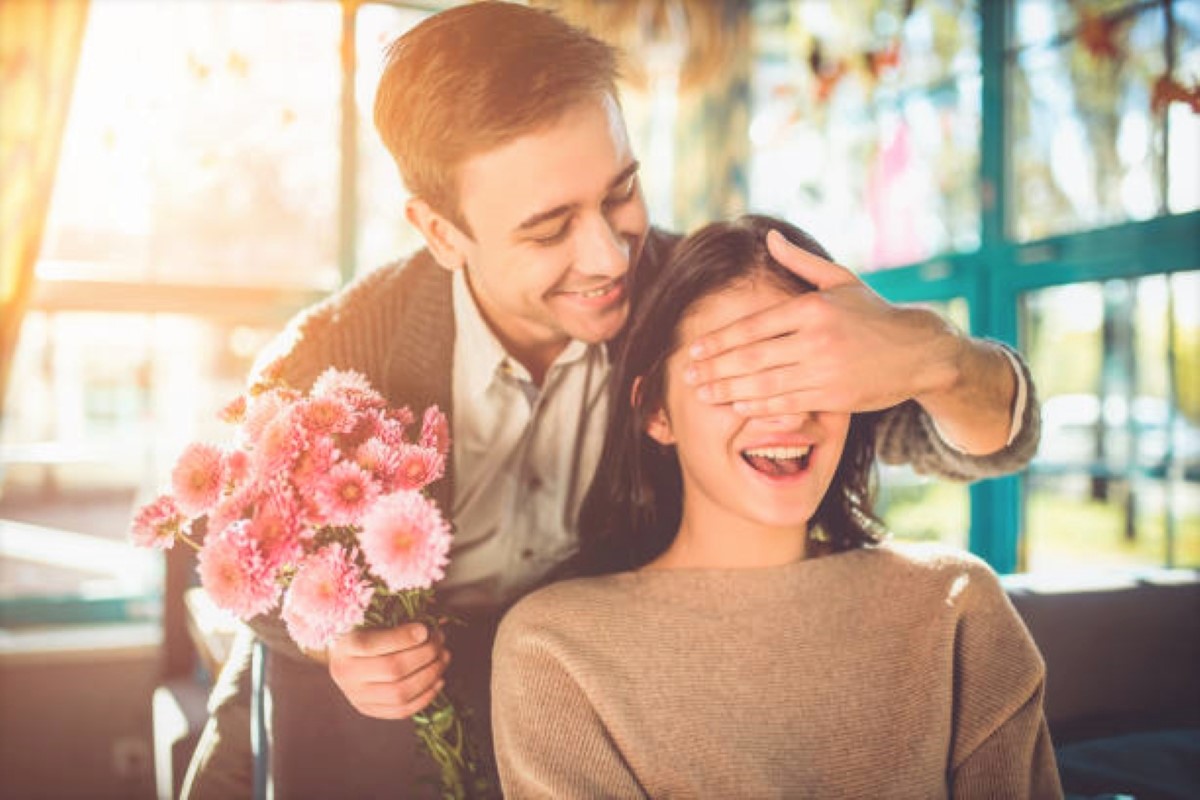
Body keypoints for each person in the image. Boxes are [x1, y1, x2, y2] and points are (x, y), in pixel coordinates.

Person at [180, 3, 1042, 798]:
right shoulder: (333, 359)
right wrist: (333, 640)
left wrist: (935, 357)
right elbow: (229, 555)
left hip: (577, 714)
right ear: (441, 232)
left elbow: (979, 439)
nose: (608, 256)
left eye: (619, 193)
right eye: (550, 228)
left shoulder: (695, 306)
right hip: (336, 731)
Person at [491, 215, 1061, 799]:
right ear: (655, 412)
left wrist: (934, 351)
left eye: (807, 373)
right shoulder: (556, 650)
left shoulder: (956, 608)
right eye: (744, 376)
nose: (789, 415)